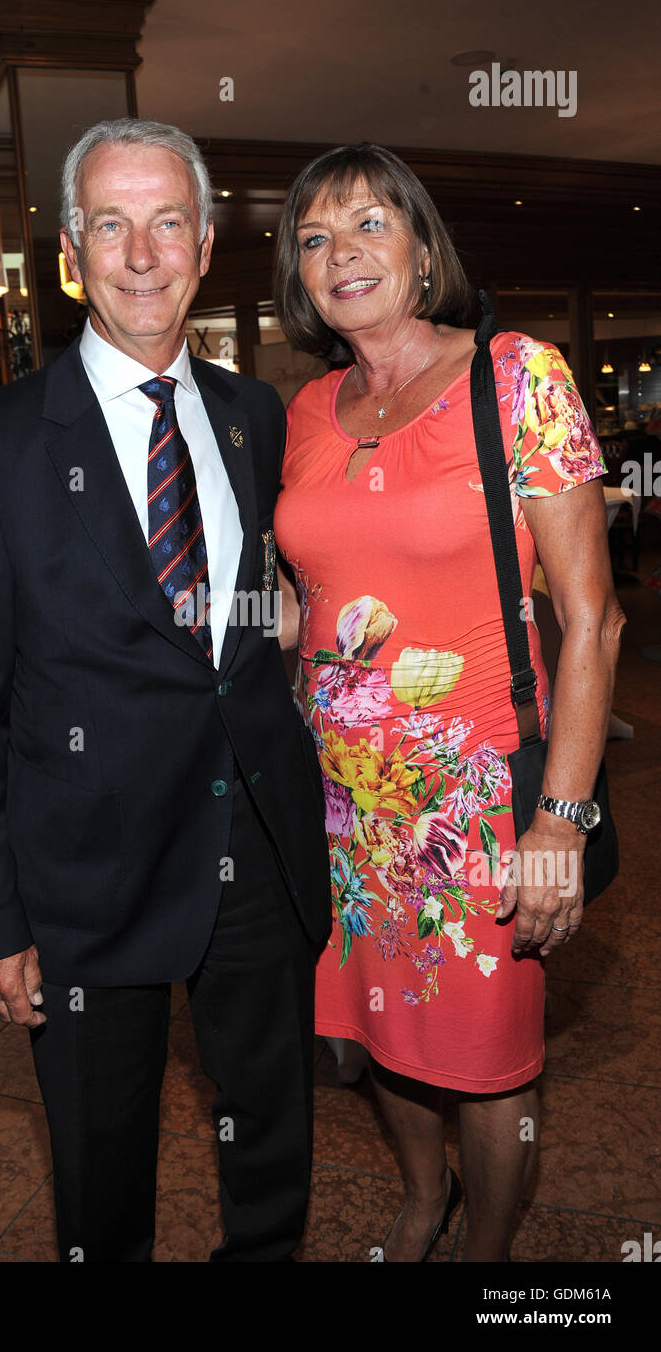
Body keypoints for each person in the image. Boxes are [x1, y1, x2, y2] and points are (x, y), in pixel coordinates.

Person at [0, 118, 331, 1263]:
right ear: (69, 250)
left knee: (272, 1143)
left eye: (166, 223)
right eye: (112, 223)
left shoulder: (259, 418)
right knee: (102, 1169)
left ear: (204, 245)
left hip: (257, 843)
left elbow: (259, 614)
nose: (140, 253)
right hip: (81, 877)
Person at [273, 143, 624, 1262]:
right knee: (383, 1026)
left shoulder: (518, 375)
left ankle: (486, 1256)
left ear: (423, 249)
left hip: (479, 805)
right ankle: (423, 1201)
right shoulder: (309, 411)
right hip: (350, 807)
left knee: (487, 1055)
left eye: (371, 224)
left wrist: (558, 824)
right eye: (317, 240)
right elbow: (311, 601)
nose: (344, 254)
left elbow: (593, 618)